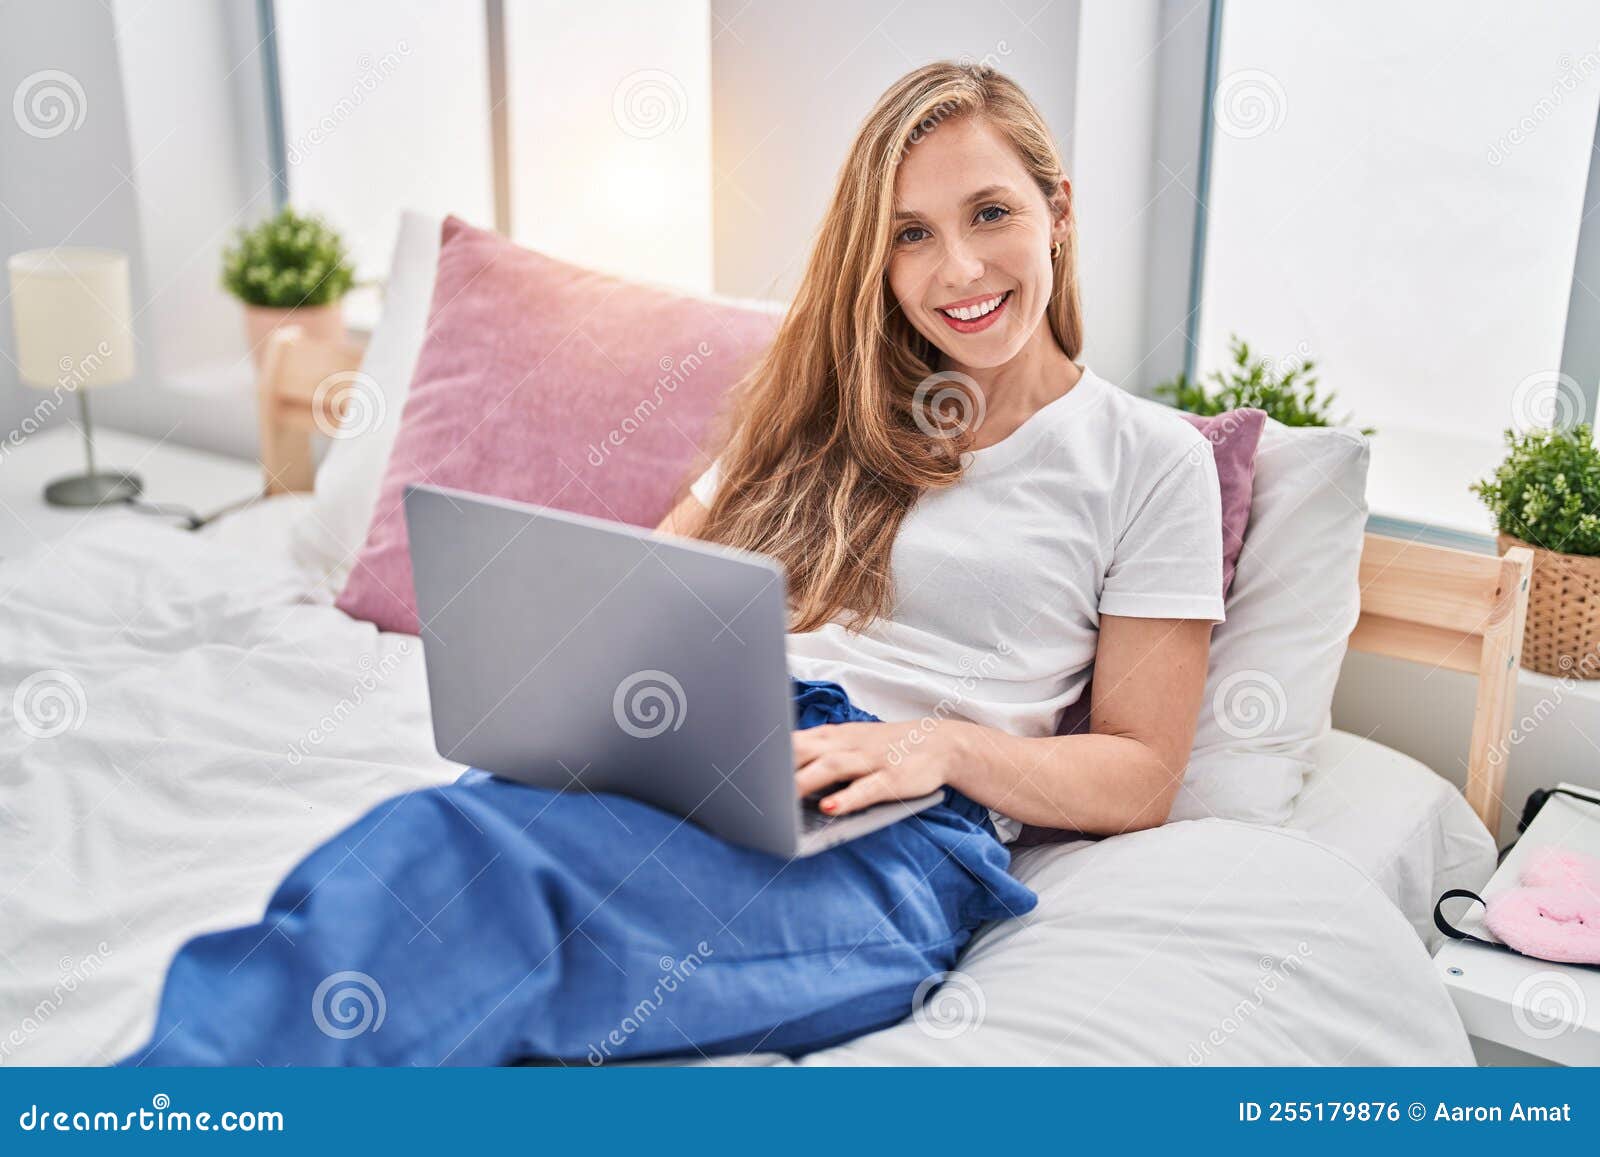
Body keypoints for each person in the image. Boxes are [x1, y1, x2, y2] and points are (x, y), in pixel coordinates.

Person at [126, 61, 1222, 1067]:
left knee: (479, 886)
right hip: (693, 734)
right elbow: (645, 582)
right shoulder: (812, 409)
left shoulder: (1148, 457)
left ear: (1058, 212)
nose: (960, 268)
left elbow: (1139, 770)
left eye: (990, 213)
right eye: (911, 235)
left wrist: (936, 744)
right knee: (412, 853)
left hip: (893, 825)